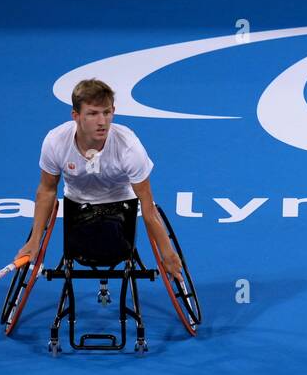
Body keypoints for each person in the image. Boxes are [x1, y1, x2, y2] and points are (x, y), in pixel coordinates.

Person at [15, 79, 182, 281]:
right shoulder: (55, 141)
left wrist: (167, 251)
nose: (102, 121)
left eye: (106, 112)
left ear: (113, 111)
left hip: (122, 209)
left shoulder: (129, 146)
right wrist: (35, 241)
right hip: (76, 208)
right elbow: (47, 190)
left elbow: (147, 205)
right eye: (93, 113)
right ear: (75, 116)